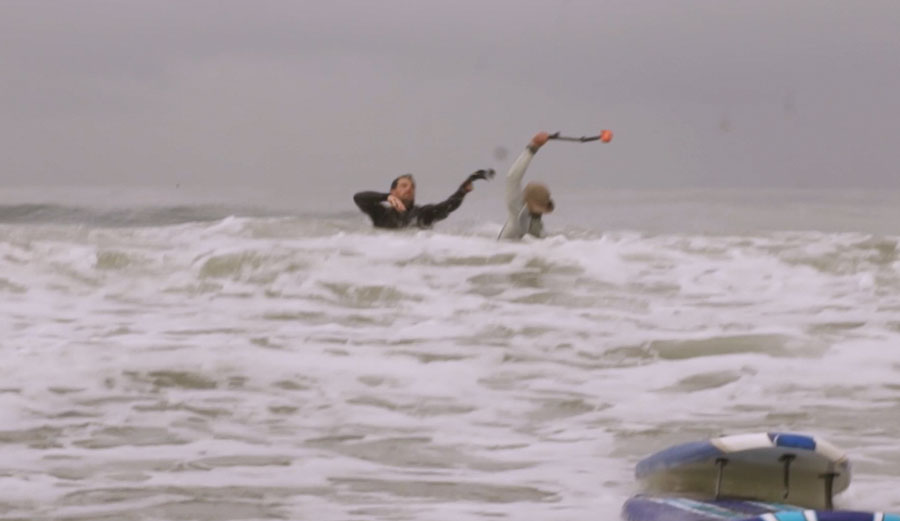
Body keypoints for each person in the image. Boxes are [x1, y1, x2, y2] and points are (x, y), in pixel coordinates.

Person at [353, 169, 494, 229]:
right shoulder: (380, 214)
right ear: (393, 191)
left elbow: (447, 206)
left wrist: (462, 191)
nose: (409, 189)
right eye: (403, 186)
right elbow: (359, 197)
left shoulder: (423, 214)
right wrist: (385, 197)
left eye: (412, 187)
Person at [498, 131, 554, 239]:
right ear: (529, 201)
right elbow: (512, 178)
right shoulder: (516, 206)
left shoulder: (538, 220)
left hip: (524, 253)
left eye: (543, 205)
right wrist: (533, 147)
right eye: (540, 204)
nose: (543, 209)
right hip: (503, 251)